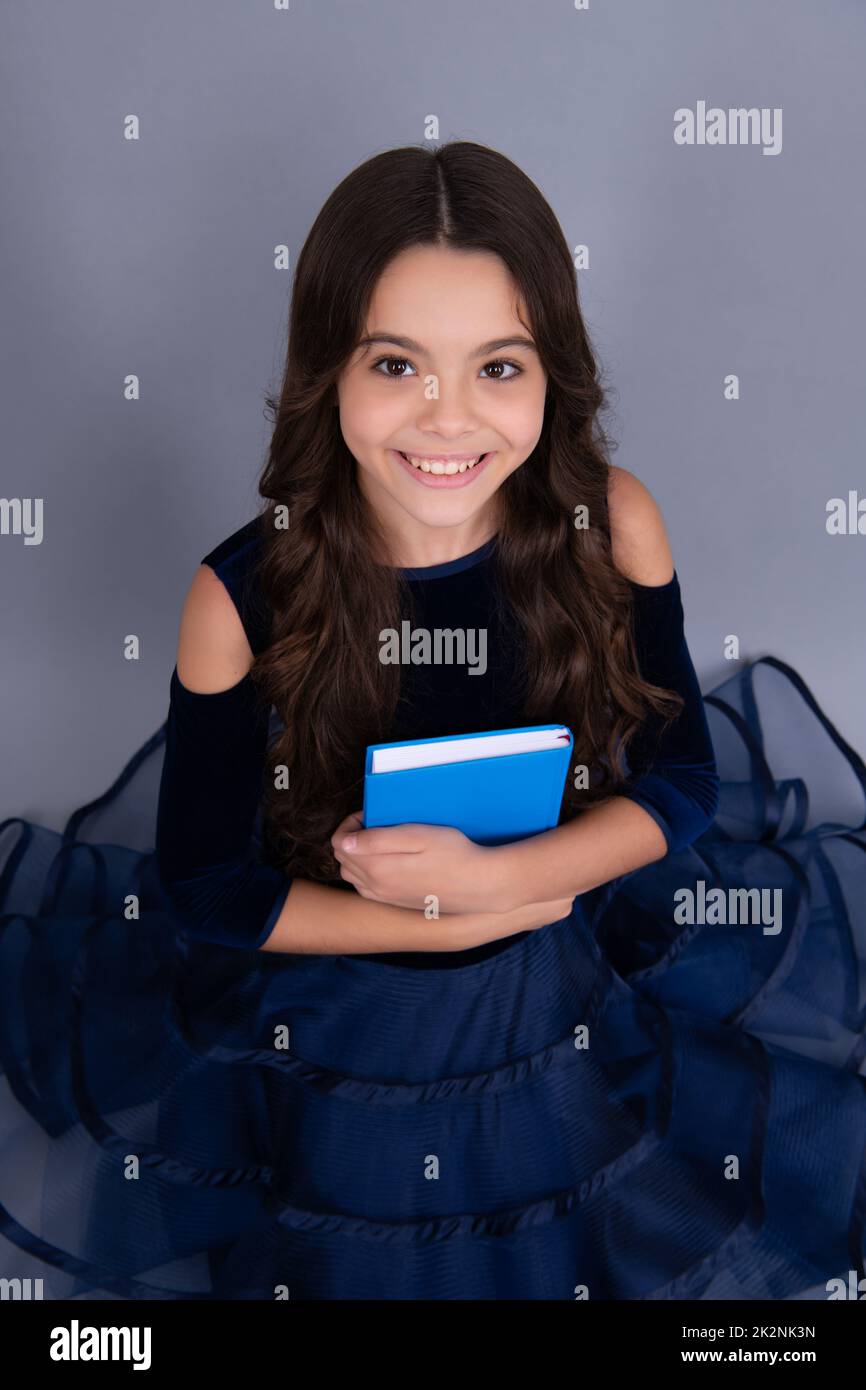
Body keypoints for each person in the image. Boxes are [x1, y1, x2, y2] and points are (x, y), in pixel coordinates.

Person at [1, 142, 864, 1301]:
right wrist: (430, 923)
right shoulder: (238, 595)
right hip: (337, 988)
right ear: (328, 372)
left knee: (581, 1195)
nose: (446, 419)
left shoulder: (611, 525)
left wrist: (519, 886)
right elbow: (206, 886)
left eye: (496, 367)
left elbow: (680, 780)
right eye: (397, 363)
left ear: (551, 371)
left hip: (553, 964)